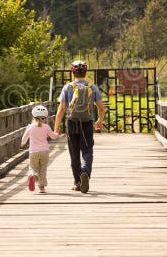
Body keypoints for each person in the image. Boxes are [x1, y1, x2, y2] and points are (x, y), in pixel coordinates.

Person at [53, 60, 105, 193]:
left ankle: (77, 182)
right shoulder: (92, 87)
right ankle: (85, 173)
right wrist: (99, 120)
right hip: (87, 122)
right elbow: (101, 107)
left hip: (72, 123)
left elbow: (61, 110)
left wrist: (56, 127)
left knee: (74, 153)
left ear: (73, 72)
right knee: (87, 150)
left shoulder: (67, 87)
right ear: (85, 72)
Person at [20, 104, 59, 193]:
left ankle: (32, 176)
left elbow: (24, 139)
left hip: (33, 152)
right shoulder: (46, 127)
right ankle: (41, 187)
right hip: (45, 151)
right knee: (43, 168)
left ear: (33, 117)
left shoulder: (30, 127)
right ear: (45, 118)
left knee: (33, 167)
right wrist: (57, 133)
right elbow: (53, 136)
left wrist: (22, 144)